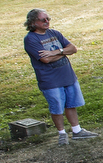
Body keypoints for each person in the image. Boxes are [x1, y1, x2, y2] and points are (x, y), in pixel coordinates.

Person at [23, 9, 98, 146]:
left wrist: (56, 52)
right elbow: (45, 60)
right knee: (57, 107)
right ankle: (62, 134)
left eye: (48, 18)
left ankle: (77, 131)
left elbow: (73, 49)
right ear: (33, 22)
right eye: (43, 20)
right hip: (50, 79)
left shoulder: (54, 33)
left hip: (67, 75)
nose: (47, 22)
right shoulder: (31, 39)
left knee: (71, 104)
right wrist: (64, 52)